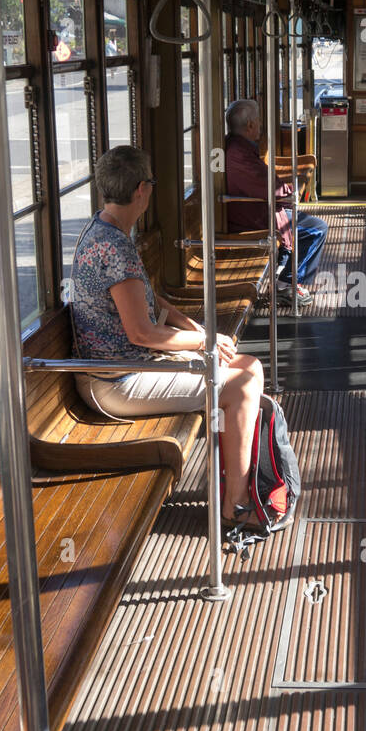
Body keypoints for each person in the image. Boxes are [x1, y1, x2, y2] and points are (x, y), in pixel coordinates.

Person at [71, 145, 264, 517]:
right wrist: (205, 340)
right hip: (116, 382)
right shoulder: (114, 249)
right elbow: (142, 333)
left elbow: (149, 298)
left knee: (250, 366)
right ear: (142, 189)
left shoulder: (104, 230)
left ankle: (230, 485)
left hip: (131, 367)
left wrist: (197, 330)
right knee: (240, 386)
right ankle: (235, 504)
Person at [223, 98, 327, 307]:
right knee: (317, 229)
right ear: (251, 125)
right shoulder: (239, 154)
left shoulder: (239, 148)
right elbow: (269, 187)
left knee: (308, 225)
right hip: (253, 215)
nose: (260, 126)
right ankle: (285, 284)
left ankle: (286, 279)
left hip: (256, 207)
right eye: (259, 121)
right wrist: (289, 193)